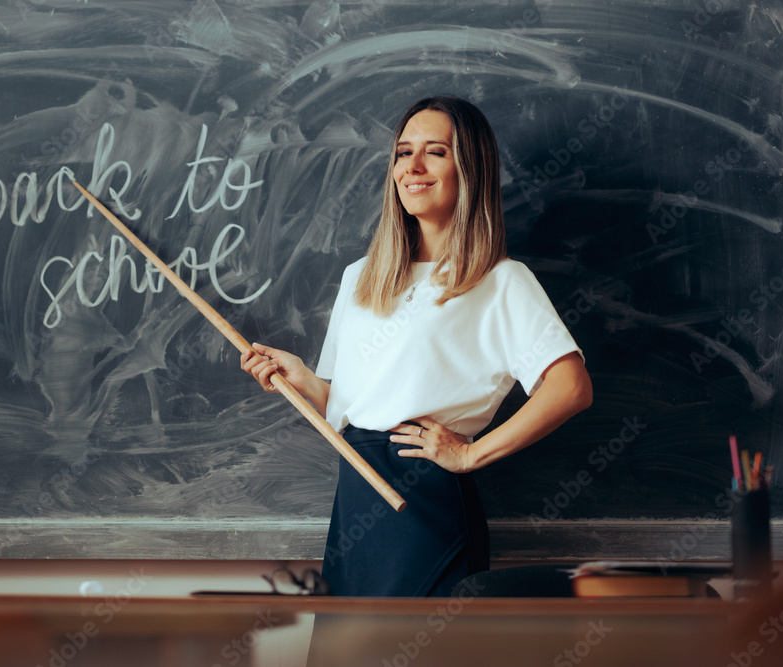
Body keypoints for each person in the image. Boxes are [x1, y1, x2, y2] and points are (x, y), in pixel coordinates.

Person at [241, 96, 592, 597]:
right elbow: (359, 406)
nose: (414, 167)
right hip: (355, 499)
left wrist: (470, 455)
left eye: (436, 152)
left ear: (469, 168)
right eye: (404, 152)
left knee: (420, 637)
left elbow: (571, 387)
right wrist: (305, 382)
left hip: (426, 504)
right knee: (345, 642)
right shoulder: (361, 276)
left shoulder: (500, 280)